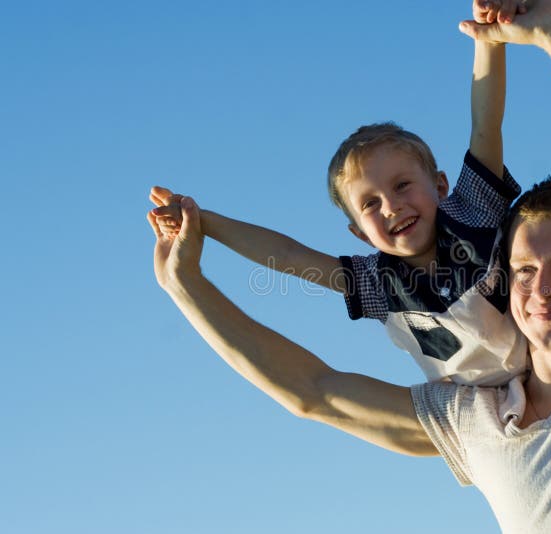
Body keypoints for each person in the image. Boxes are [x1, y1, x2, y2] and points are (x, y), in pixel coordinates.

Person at [148, 1, 551, 532]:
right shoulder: (468, 414)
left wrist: (515, 34)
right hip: (473, 390)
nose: (541, 285)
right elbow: (313, 387)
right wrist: (194, 260)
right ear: (357, 230)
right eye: (523, 269)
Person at [149, 0, 531, 387]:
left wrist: (489, 41)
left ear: (440, 186)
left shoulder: (472, 209)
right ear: (360, 234)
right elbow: (287, 256)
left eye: (402, 185)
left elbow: (486, 125)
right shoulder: (377, 282)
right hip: (482, 417)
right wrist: (201, 222)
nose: (392, 205)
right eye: (370, 203)